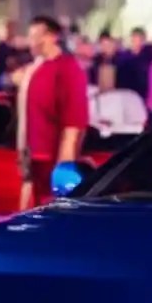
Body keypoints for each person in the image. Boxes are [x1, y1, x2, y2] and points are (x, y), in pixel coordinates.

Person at [17, 15, 89, 209]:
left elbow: (74, 118)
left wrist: (65, 161)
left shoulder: (67, 69)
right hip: (33, 156)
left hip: (52, 156)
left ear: (51, 37)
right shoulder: (35, 69)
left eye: (35, 36)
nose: (31, 42)